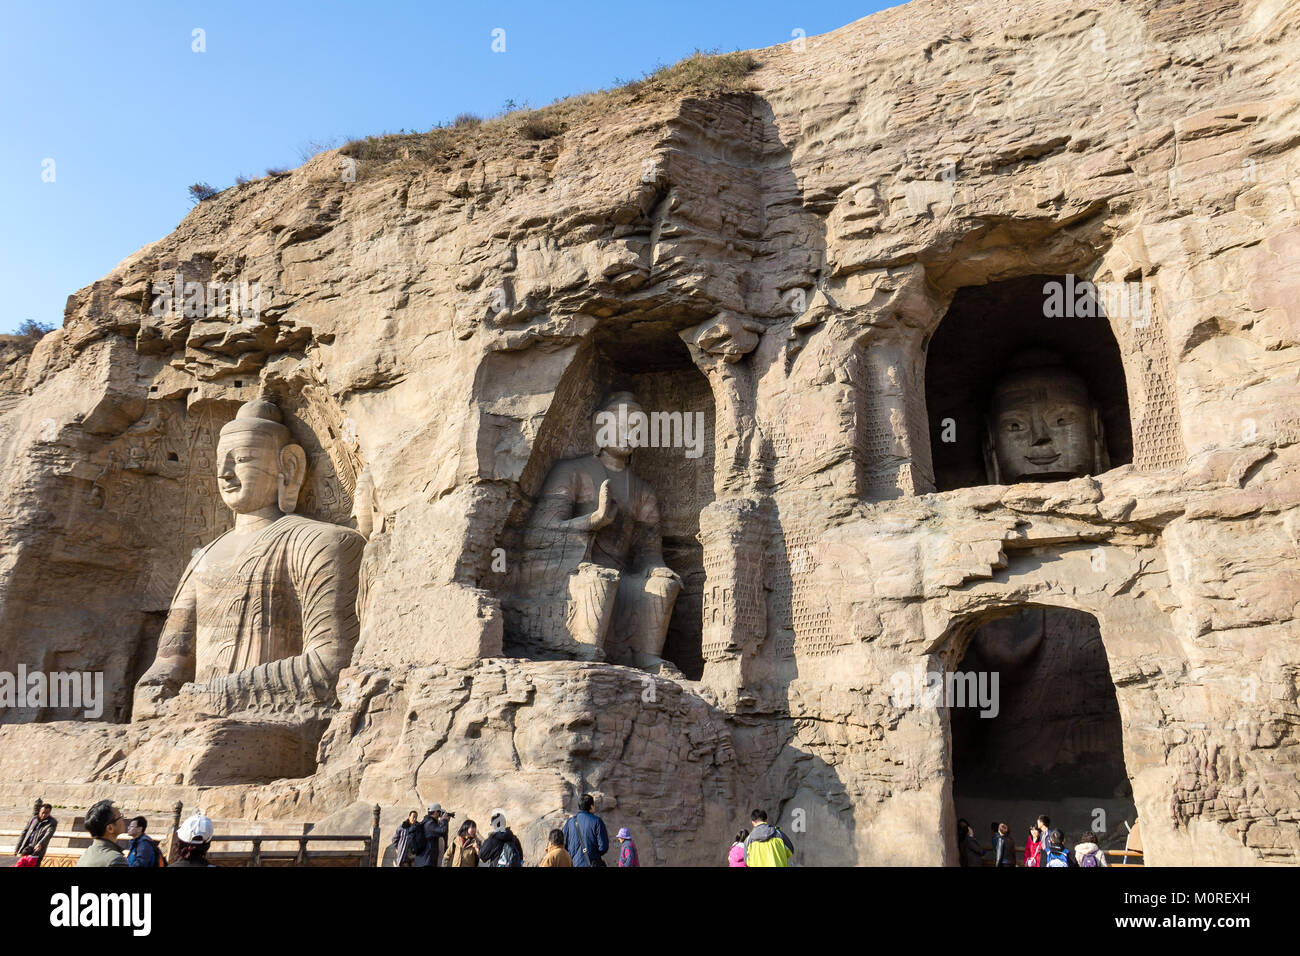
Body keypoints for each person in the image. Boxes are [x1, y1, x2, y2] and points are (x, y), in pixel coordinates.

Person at [562, 793, 610, 867]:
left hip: (574, 863)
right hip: (592, 863)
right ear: (591, 806)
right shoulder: (597, 821)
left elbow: (563, 844)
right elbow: (603, 847)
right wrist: (594, 854)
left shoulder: (569, 822)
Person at [76, 800, 127, 867]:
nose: (123, 819)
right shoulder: (115, 860)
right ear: (110, 828)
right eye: (120, 817)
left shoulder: (85, 856)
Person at [412, 803, 450, 868]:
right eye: (439, 811)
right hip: (426, 861)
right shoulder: (429, 824)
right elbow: (443, 831)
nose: (440, 814)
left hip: (426, 860)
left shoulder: (430, 822)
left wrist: (444, 821)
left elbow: (443, 835)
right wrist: (444, 820)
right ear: (435, 812)